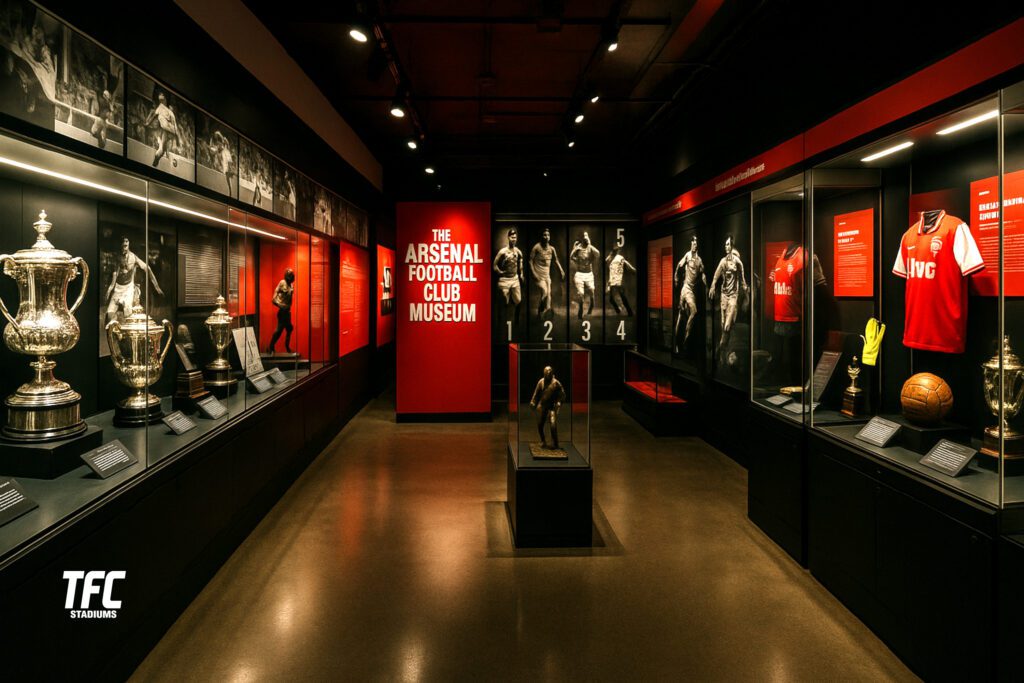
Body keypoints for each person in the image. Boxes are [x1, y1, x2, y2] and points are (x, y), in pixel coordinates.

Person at [105, 237, 163, 326]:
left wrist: (157, 287)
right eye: (123, 242)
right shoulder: (117, 258)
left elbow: (147, 268)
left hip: (128, 289)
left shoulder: (133, 257)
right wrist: (110, 289)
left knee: (128, 314)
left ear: (128, 243)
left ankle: (126, 332)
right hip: (118, 288)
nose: (125, 243)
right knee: (109, 314)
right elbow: (115, 274)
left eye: (126, 241)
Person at [709, 235, 748, 360]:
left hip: (733, 296)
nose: (726, 247)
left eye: (728, 244)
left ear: (732, 247)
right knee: (724, 326)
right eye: (725, 244)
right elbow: (716, 275)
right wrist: (712, 286)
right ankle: (722, 351)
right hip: (724, 296)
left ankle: (720, 348)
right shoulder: (723, 261)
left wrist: (746, 294)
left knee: (727, 326)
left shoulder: (738, 262)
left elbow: (743, 279)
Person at [673, 235, 706, 353]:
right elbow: (679, 265)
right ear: (691, 244)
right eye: (693, 243)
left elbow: (702, 273)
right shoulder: (687, 255)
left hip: (691, 292)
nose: (695, 245)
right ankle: (679, 342)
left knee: (685, 314)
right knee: (689, 312)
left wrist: (706, 284)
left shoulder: (699, 260)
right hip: (685, 289)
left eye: (696, 243)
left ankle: (684, 342)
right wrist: (676, 278)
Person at [529, 228, 565, 320]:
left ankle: (544, 312)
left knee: (548, 294)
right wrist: (534, 273)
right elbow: (530, 260)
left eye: (548, 235)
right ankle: (541, 311)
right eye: (544, 235)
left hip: (547, 276)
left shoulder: (552, 249)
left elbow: (556, 260)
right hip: (538, 276)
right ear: (542, 236)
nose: (546, 237)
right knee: (544, 292)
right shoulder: (536, 247)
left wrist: (561, 270)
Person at [493, 227, 524, 325]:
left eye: (515, 237)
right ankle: (500, 322)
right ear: (508, 237)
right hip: (504, 279)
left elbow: (521, 260)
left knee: (518, 301)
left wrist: (521, 273)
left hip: (514, 278)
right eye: (512, 237)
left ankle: (516, 321)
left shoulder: (518, 251)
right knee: (504, 302)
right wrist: (499, 272)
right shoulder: (503, 251)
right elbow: (494, 265)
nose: (514, 239)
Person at [530, 366, 566, 450]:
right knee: (540, 425)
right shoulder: (541, 382)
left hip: (552, 407)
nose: (548, 374)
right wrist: (533, 401)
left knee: (553, 425)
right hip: (542, 406)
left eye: (549, 372)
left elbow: (563, 395)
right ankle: (543, 441)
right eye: (546, 373)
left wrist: (559, 402)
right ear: (544, 374)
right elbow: (536, 393)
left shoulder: (556, 383)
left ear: (552, 373)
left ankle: (555, 443)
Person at [143, 92, 179, 168]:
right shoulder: (163, 109)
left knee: (162, 148)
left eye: (162, 95)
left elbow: (175, 127)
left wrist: (148, 123)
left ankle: (158, 157)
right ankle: (164, 159)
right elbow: (175, 129)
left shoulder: (168, 112)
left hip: (166, 131)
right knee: (163, 149)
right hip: (167, 131)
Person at [569, 232, 600, 320]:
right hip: (579, 274)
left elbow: (598, 254)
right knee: (581, 294)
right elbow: (571, 257)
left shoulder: (590, 248)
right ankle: (581, 309)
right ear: (582, 239)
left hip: (589, 275)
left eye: (587, 236)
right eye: (584, 237)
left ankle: (591, 307)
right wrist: (575, 249)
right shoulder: (578, 248)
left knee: (592, 292)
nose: (586, 238)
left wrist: (590, 245)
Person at [268, 267, 295, 354]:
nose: (292, 276)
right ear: (287, 276)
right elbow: (273, 299)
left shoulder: (291, 285)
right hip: (283, 312)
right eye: (291, 275)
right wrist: (281, 306)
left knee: (289, 328)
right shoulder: (282, 283)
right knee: (279, 330)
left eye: (292, 274)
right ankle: (271, 346)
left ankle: (286, 347)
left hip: (287, 312)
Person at [605, 243, 636, 317]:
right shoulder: (612, 258)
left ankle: (629, 312)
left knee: (621, 297)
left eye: (616, 250)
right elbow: (626, 264)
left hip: (617, 280)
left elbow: (626, 264)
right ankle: (622, 311)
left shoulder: (618, 258)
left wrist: (632, 269)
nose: (616, 251)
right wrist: (632, 269)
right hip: (612, 280)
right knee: (613, 299)